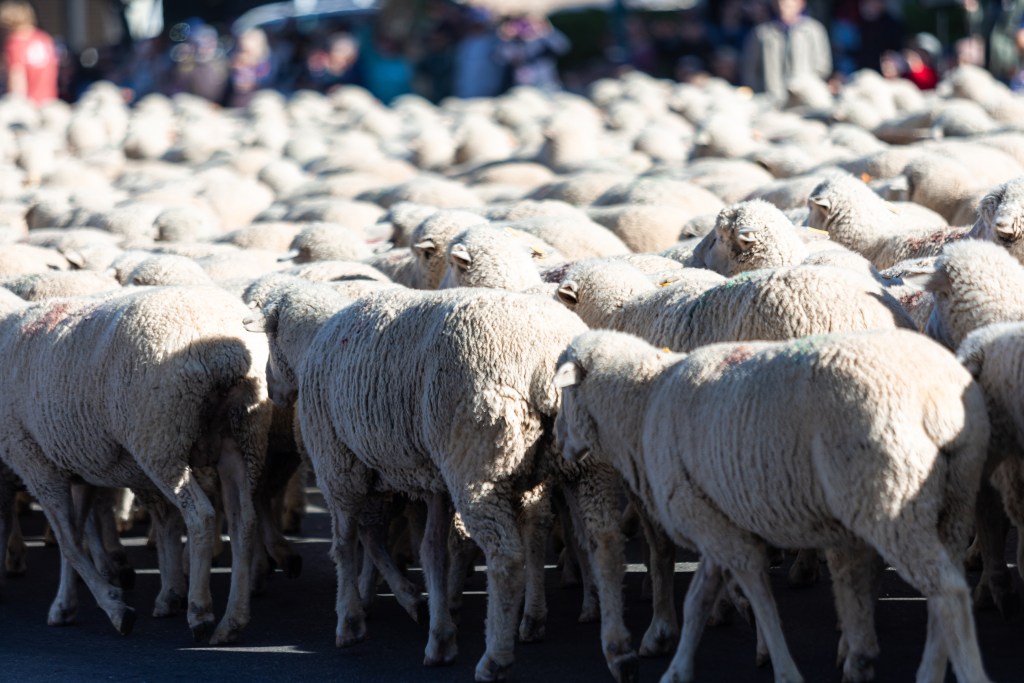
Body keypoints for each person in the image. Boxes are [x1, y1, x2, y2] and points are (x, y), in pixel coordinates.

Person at [740, 0, 832, 103]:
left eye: (787, 4)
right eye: (779, 3)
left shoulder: (814, 31)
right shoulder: (761, 33)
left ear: (800, 4)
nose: (782, 7)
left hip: (804, 100)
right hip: (770, 100)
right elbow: (750, 69)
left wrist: (804, 86)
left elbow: (822, 66)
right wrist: (759, 92)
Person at [0, 0, 57, 104]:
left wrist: (16, 105)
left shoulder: (15, 44)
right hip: (48, 102)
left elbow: (17, 79)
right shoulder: (45, 39)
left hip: (28, 107)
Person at [495, 14, 570, 92]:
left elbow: (563, 47)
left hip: (547, 83)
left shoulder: (544, 39)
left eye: (528, 24)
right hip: (522, 86)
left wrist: (548, 31)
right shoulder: (512, 42)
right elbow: (500, 58)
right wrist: (505, 37)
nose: (526, 28)